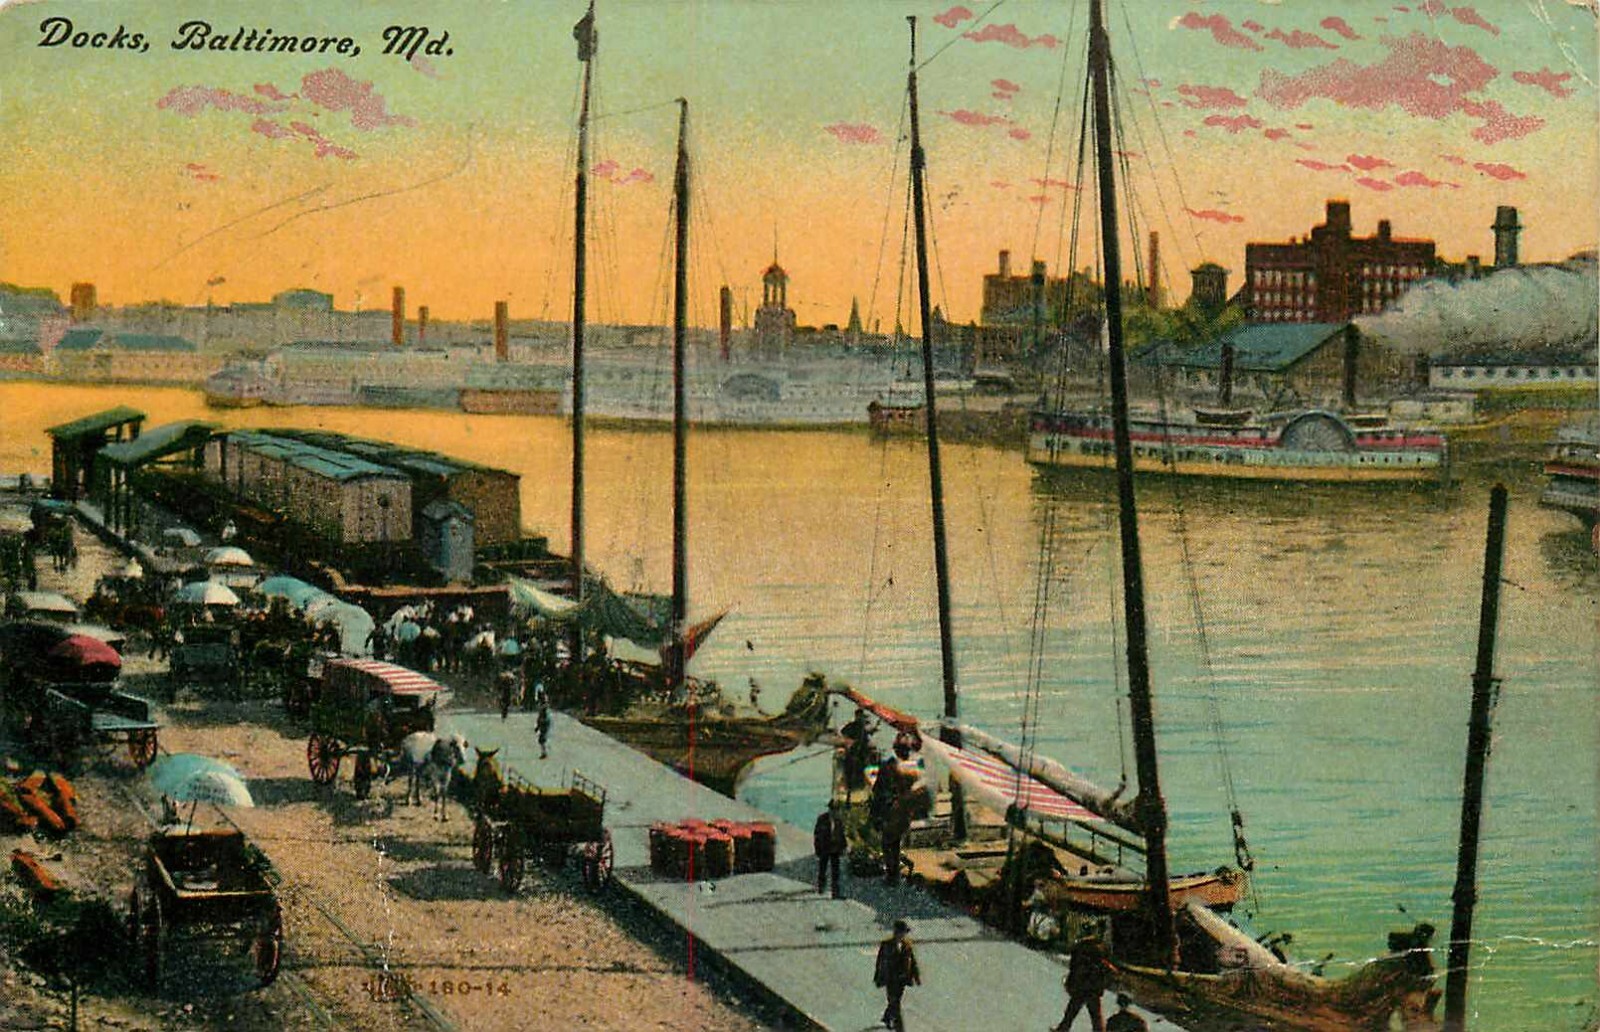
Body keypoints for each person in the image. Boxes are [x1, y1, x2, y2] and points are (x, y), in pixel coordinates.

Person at [1056, 934, 1113, 1032]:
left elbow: (1075, 969)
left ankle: (1063, 1029)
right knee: (1095, 1015)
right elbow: (1105, 970)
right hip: (1092, 988)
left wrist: (1070, 983)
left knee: (1072, 1011)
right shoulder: (1099, 951)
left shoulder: (1080, 948)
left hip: (1081, 987)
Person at [873, 918, 920, 1031]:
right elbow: (880, 961)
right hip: (890, 978)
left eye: (904, 932)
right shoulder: (886, 945)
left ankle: (887, 1017)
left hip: (902, 979)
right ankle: (900, 1029)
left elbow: (912, 961)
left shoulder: (907, 945)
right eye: (902, 932)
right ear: (896, 932)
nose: (903, 935)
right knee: (895, 1003)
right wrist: (878, 976)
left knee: (895, 1001)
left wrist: (916, 976)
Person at [812, 802, 847, 898]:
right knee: (822, 868)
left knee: (836, 871)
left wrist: (843, 847)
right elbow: (817, 835)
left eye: (836, 809)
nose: (835, 811)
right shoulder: (822, 819)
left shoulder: (839, 820)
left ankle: (836, 892)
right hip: (825, 848)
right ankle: (821, 886)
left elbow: (842, 835)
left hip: (835, 848)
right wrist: (817, 847)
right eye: (833, 809)